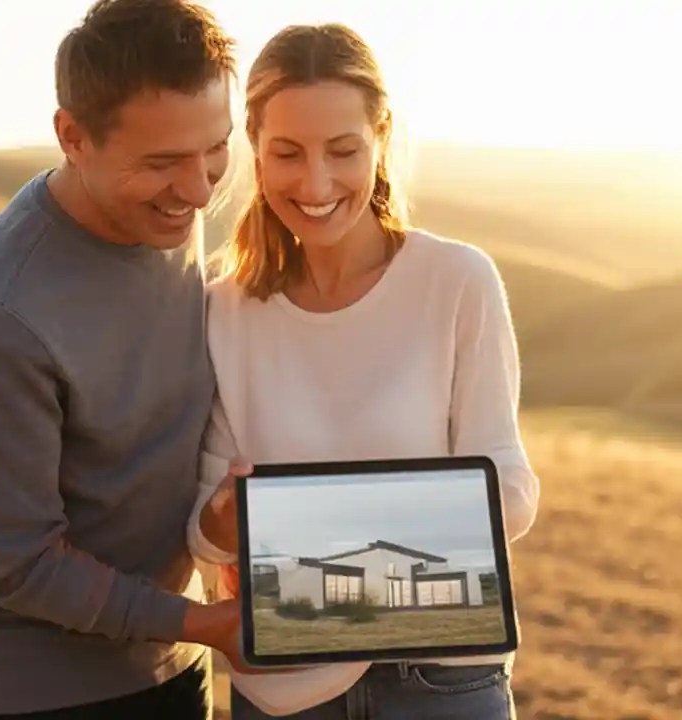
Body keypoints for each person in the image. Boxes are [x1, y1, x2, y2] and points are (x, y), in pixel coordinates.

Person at [187, 24, 542, 719]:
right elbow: (203, 533)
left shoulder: (456, 282)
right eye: (286, 153)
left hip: (438, 682)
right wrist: (228, 519)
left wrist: (342, 521)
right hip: (283, 690)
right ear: (253, 148)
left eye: (343, 151)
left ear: (381, 139)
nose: (315, 183)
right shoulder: (223, 309)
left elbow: (516, 490)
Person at [0, 1, 249, 717]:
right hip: (38, 692)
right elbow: (23, 568)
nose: (198, 191)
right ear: (73, 136)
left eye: (215, 149)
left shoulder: (164, 212)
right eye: (162, 163)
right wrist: (198, 623)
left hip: (175, 657)